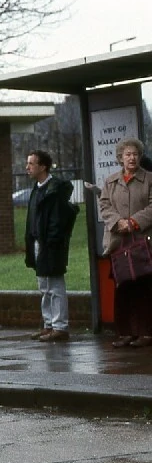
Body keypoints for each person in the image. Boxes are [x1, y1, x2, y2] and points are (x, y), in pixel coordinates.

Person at [98, 138, 152, 348]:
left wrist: (134, 222)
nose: (132, 158)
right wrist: (116, 222)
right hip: (119, 242)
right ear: (120, 158)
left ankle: (146, 332)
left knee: (144, 287)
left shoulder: (149, 179)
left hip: (143, 242)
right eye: (127, 154)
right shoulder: (110, 182)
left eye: (135, 154)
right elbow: (104, 205)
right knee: (123, 287)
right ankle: (126, 332)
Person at [24, 150, 76, 342]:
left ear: (42, 166)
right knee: (44, 286)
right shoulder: (37, 189)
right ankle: (49, 324)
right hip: (38, 243)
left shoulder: (54, 191)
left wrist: (52, 241)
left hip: (51, 244)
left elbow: (58, 220)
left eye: (31, 164)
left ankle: (60, 326)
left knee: (54, 285)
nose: (27, 167)